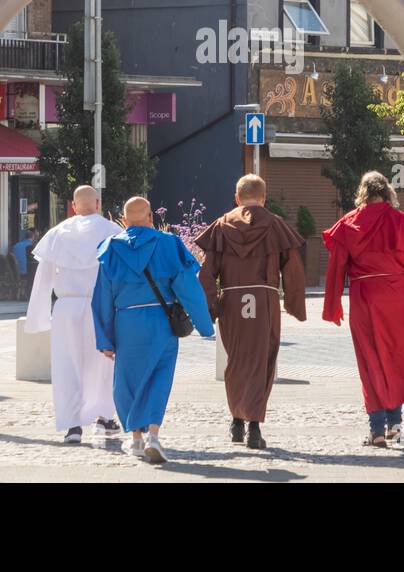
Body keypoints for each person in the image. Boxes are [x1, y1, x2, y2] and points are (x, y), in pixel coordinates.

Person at [92, 195, 214, 464]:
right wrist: (205, 326)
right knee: (159, 379)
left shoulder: (110, 249)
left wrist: (105, 339)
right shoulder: (169, 244)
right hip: (162, 322)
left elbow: (101, 297)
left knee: (127, 382)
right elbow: (189, 288)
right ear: (150, 219)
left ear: (124, 221)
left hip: (126, 324)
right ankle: (154, 436)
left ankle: (135, 439)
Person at [323, 171, 404, 448]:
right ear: (387, 192)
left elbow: (336, 269)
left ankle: (375, 430)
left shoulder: (349, 223)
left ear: (362, 192)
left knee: (370, 362)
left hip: (364, 299)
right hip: (397, 300)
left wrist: (333, 307)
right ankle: (395, 426)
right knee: (397, 359)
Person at [194, 174, 307, 451]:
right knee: (262, 362)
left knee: (236, 361)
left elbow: (206, 274)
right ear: (264, 198)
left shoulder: (221, 226)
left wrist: (209, 309)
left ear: (236, 198)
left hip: (232, 301)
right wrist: (295, 304)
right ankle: (254, 427)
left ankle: (236, 421)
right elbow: (292, 270)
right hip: (264, 299)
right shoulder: (275, 225)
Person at [24, 186, 122, 444]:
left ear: (74, 205)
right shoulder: (112, 232)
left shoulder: (57, 234)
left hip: (67, 307)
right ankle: (105, 417)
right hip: (100, 306)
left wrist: (38, 318)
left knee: (68, 365)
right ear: (98, 204)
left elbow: (43, 280)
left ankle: (73, 425)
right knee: (103, 364)